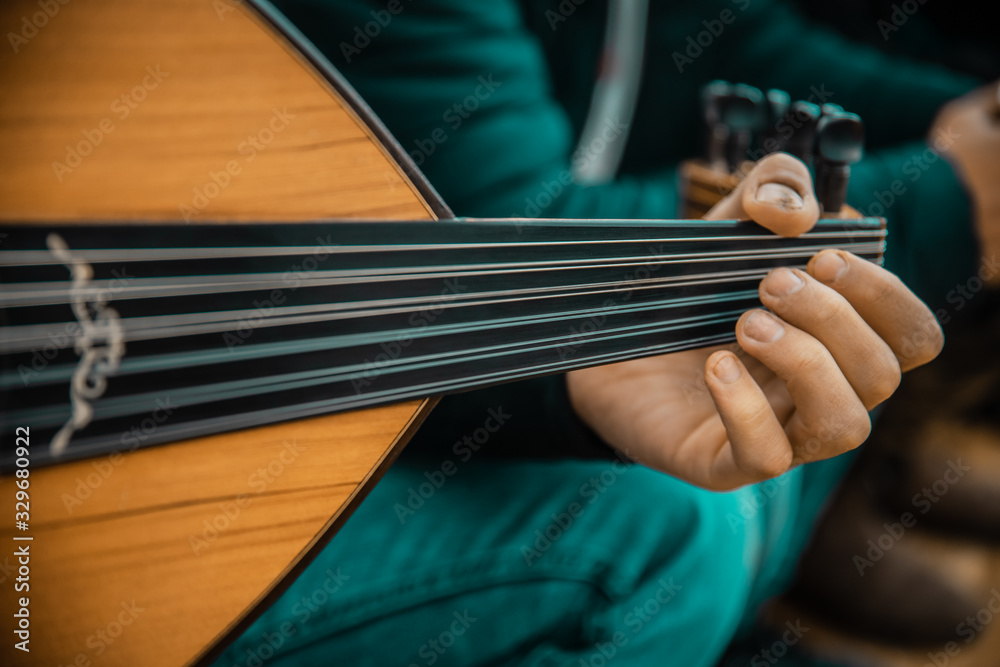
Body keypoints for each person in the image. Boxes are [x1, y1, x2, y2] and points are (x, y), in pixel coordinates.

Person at [214, 1, 999, 665]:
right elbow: (488, 233)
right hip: (231, 455)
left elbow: (717, 38)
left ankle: (765, 586)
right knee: (677, 521)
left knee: (752, 408)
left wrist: (959, 121)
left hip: (351, 366)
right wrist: (952, 195)